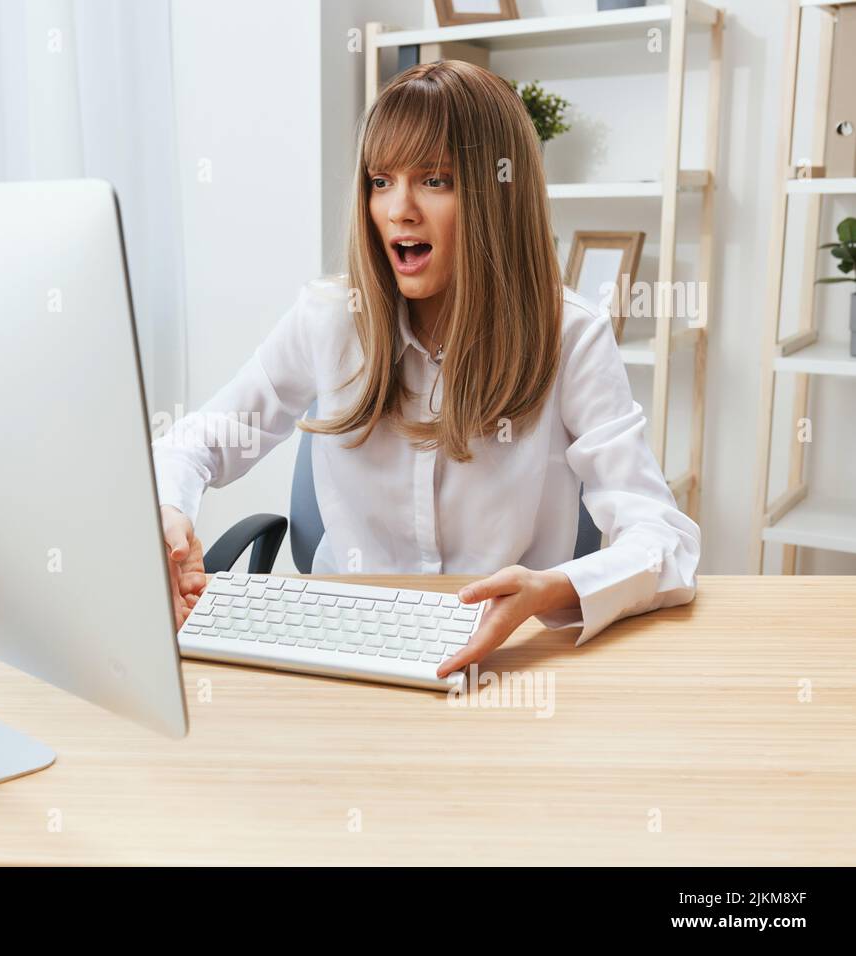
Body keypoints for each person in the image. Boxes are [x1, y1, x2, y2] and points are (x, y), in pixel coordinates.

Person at [152, 60, 700, 678]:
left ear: (499, 192)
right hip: (338, 646)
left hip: (504, 660)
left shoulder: (569, 334)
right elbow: (194, 442)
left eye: (435, 180)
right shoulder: (329, 318)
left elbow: (664, 541)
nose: (398, 210)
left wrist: (550, 590)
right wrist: (170, 511)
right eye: (381, 181)